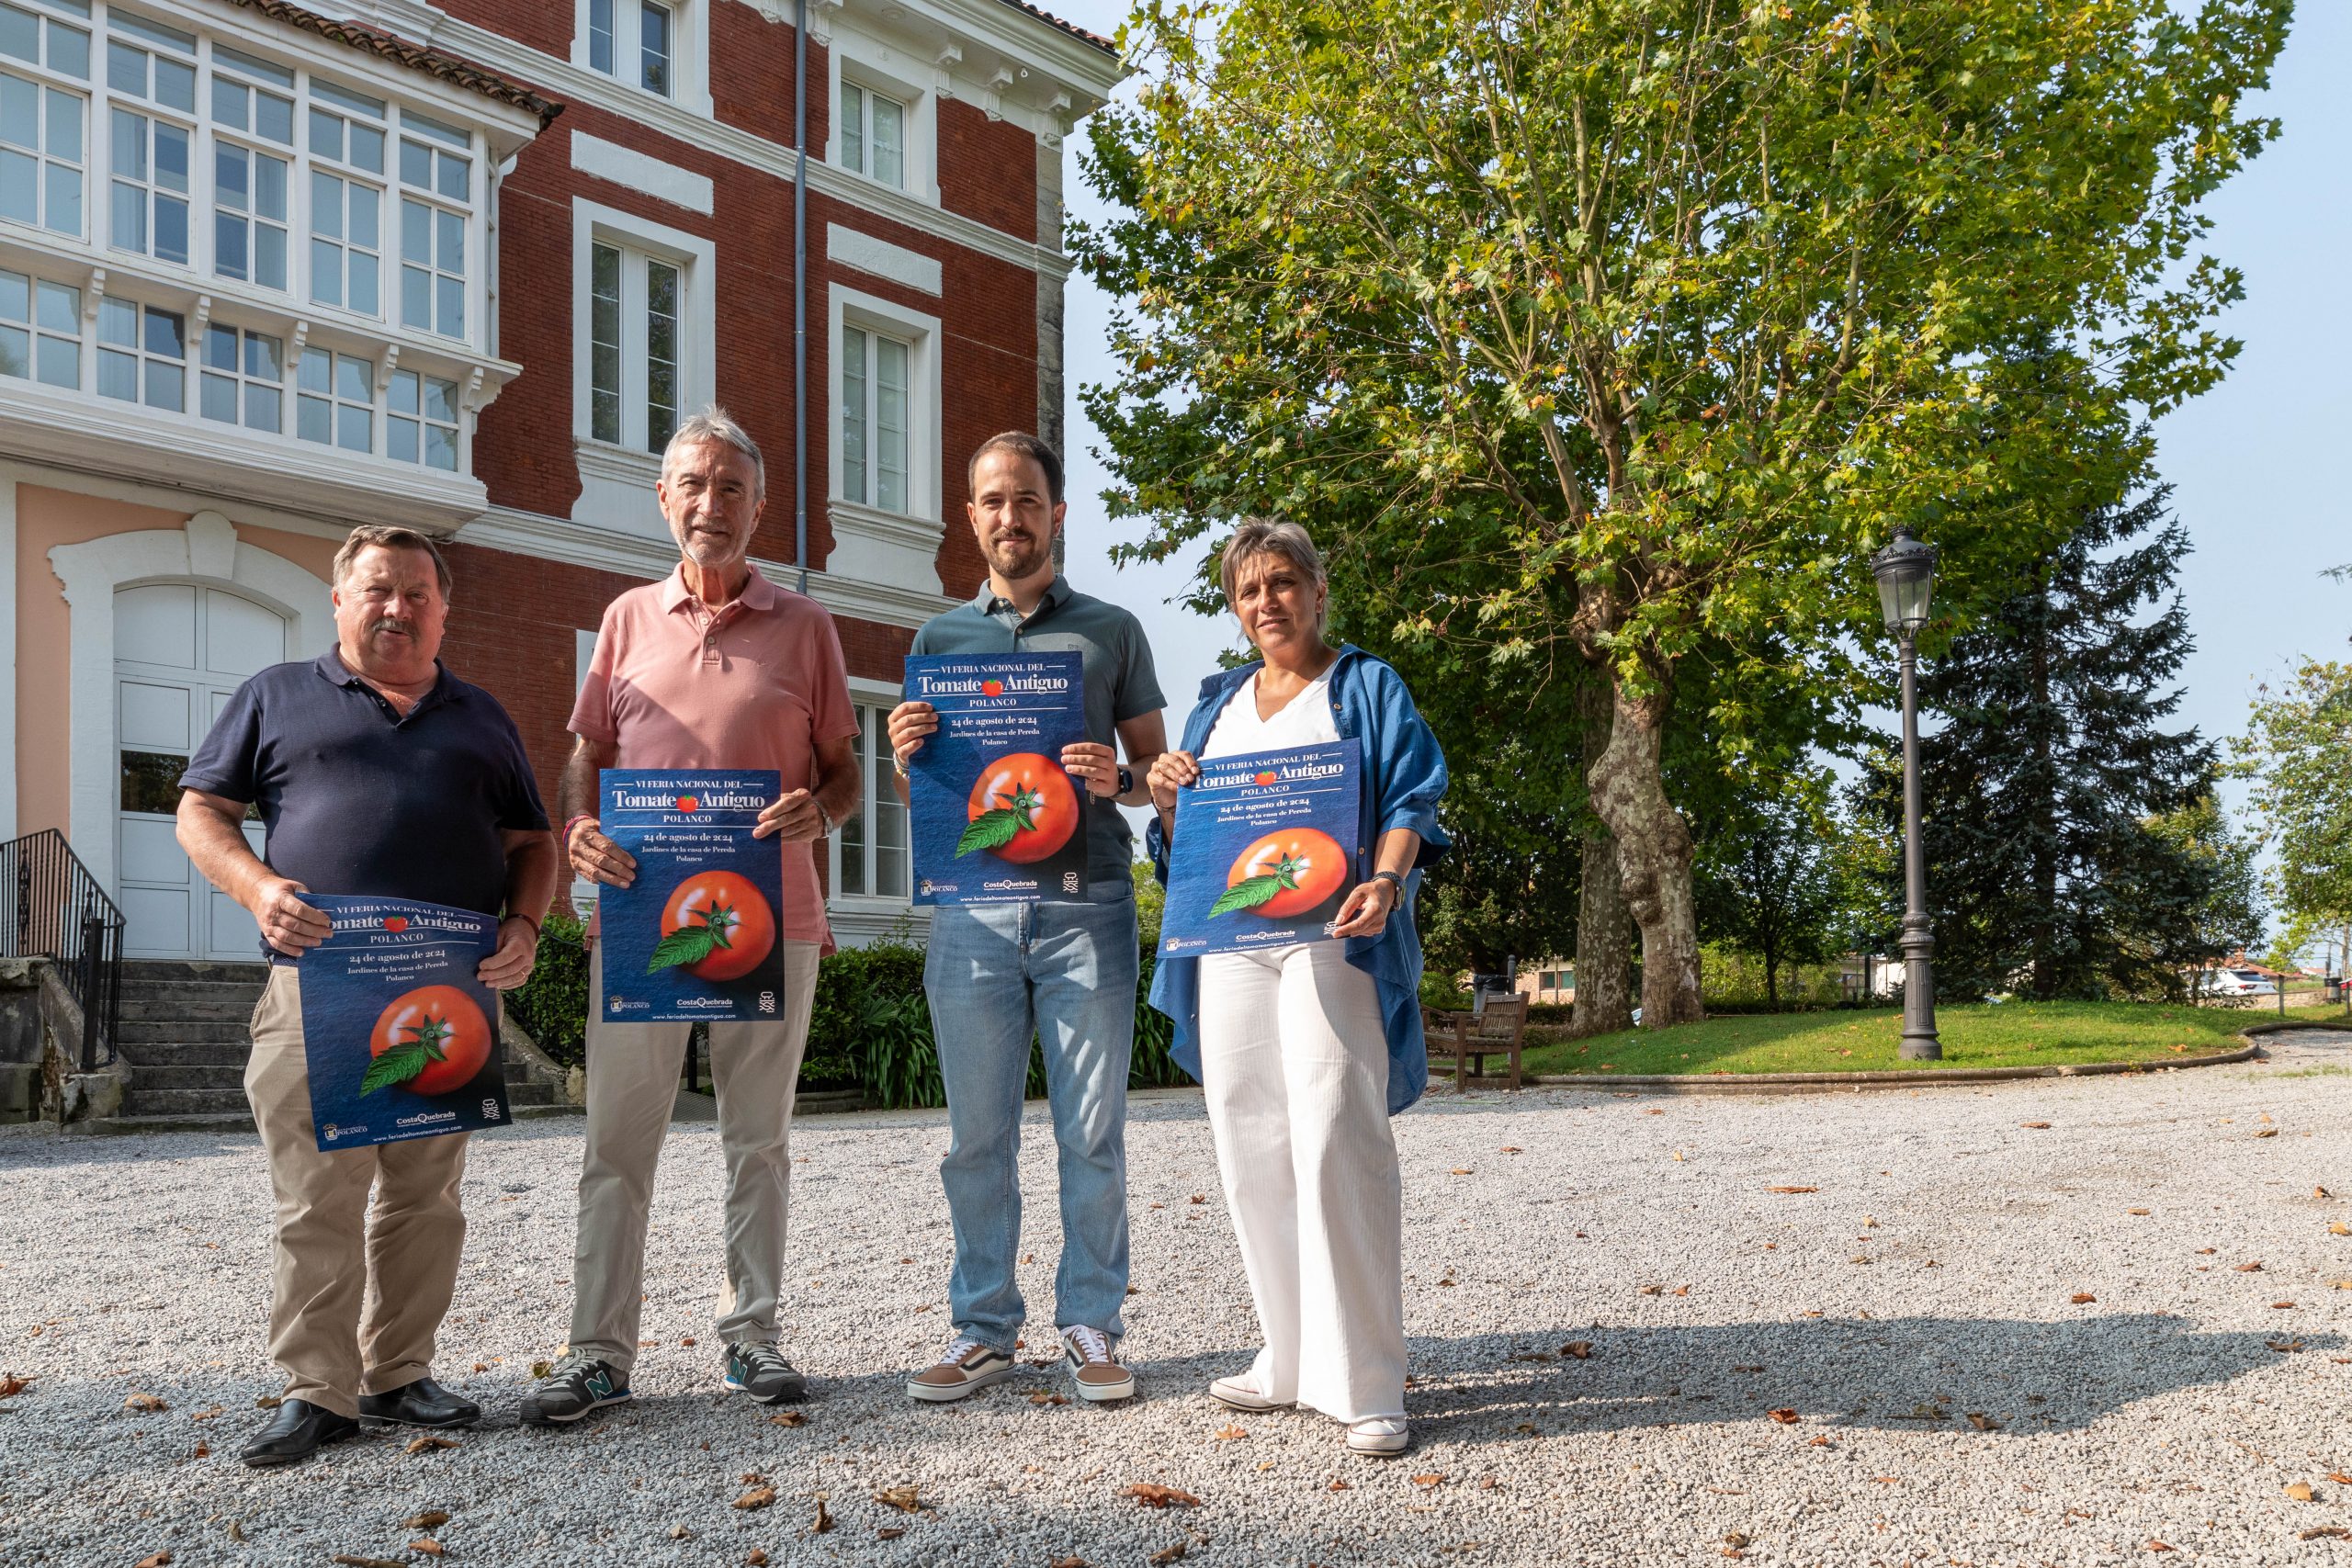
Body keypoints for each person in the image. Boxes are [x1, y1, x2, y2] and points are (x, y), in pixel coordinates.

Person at [176, 525, 558, 1467]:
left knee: (426, 1198)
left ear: (443, 609)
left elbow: (532, 843)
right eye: (378, 590)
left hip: (449, 995)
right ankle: (318, 1391)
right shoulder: (275, 697)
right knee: (316, 1197)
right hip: (318, 986)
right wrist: (260, 889)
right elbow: (201, 811)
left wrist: (524, 927)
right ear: (341, 600)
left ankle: (398, 1374)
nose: (397, 608)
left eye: (417, 594)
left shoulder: (482, 715)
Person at [522, 406, 861, 1425]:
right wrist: (580, 824)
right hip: (638, 924)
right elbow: (589, 750)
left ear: (758, 506)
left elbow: (844, 774)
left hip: (776, 917)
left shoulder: (808, 628)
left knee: (757, 1140)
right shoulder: (625, 620)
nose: (710, 504)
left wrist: (820, 810)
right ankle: (596, 1353)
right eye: (693, 486)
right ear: (663, 499)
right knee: (616, 1144)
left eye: (730, 487)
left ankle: (751, 1336)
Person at [1145, 518, 1448, 1456]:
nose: (1266, 602)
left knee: (1333, 1134)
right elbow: (1182, 841)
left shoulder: (1365, 685)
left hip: (1330, 934)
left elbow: (1412, 799)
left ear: (1318, 589)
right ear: (1234, 609)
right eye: (1248, 591)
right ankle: (1285, 1351)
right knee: (1250, 1134)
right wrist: (1163, 794)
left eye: (1281, 583)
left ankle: (1366, 1381)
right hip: (1232, 941)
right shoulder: (1216, 706)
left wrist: (1387, 881)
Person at [887, 432, 1166, 1404]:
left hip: (1084, 905)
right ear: (973, 517)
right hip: (971, 917)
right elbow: (934, 789)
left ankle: (1091, 1323)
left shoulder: (1112, 630)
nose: (1012, 517)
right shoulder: (935, 641)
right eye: (993, 501)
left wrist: (1115, 777)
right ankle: (982, 1329)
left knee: (1091, 1132)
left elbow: (1154, 778)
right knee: (975, 1138)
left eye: (1029, 500)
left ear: (1057, 512)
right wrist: (905, 753)